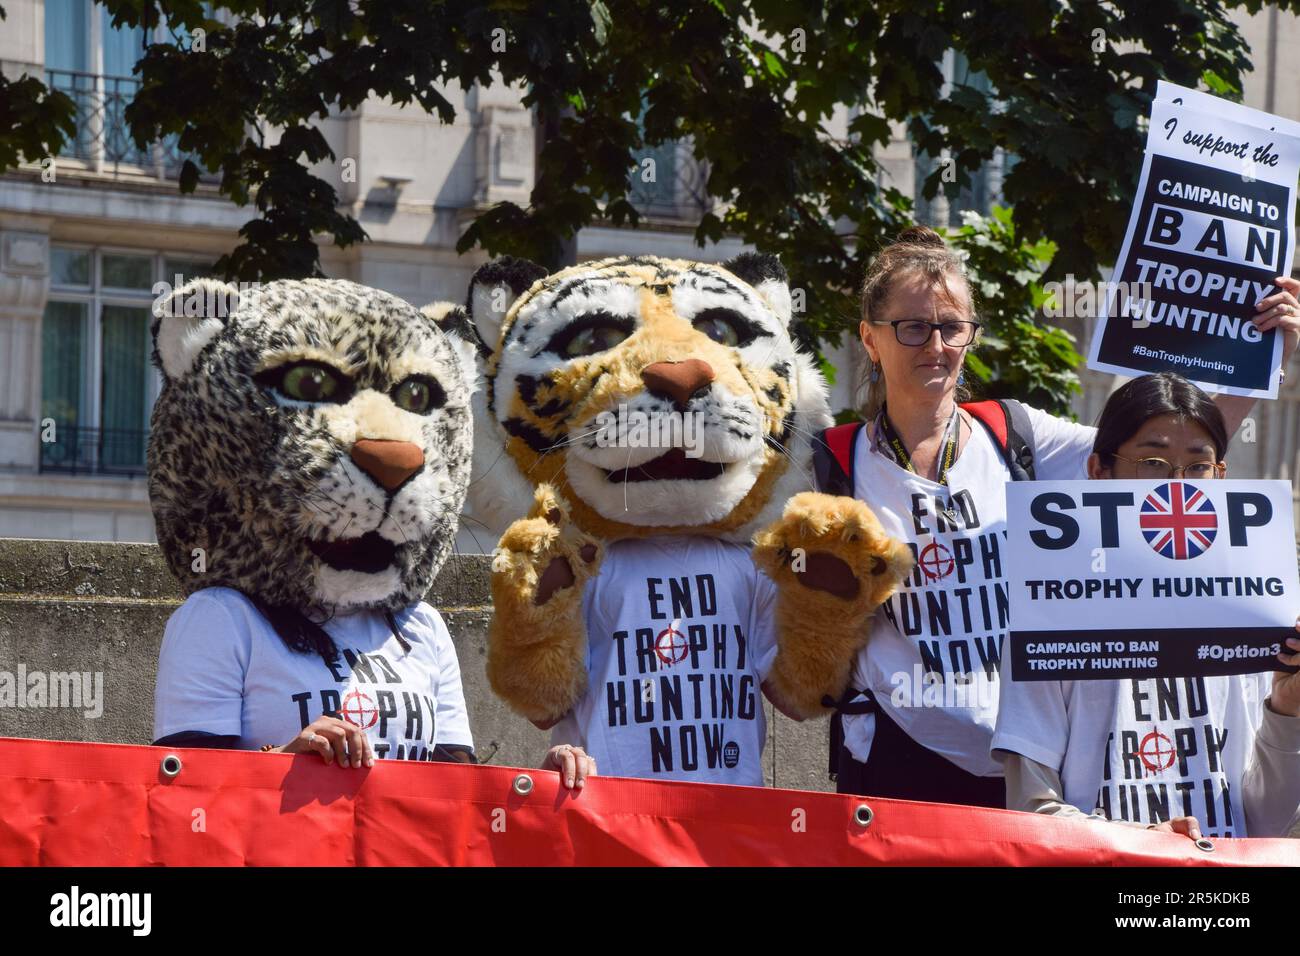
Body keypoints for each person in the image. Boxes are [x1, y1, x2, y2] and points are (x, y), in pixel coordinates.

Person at [819, 226, 1300, 808]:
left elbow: (1160, 448)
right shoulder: (832, 462)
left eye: (952, 327)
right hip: (898, 757)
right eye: (913, 327)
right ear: (870, 339)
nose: (936, 346)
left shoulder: (1018, 433)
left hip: (1029, 759)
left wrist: (1263, 354)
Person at [992, 373, 1300, 837]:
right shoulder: (1048, 612)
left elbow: (1268, 824)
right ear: (1098, 471)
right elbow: (1031, 809)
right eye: (1153, 462)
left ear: (1221, 475)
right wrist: (1138, 844)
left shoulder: (1256, 614)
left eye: (1199, 466)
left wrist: (1286, 712)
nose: (1177, 487)